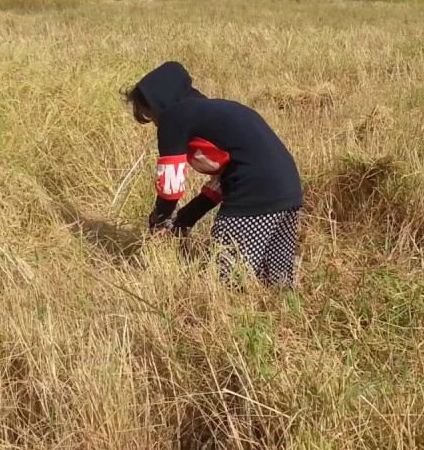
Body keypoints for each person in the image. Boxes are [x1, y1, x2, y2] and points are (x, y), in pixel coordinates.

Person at [126, 61, 304, 288]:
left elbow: (171, 184)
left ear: (157, 103)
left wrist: (161, 219)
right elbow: (225, 180)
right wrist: (184, 219)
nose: (154, 123)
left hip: (254, 195)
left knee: (224, 283)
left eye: (149, 115)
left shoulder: (174, 117)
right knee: (275, 283)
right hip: (289, 192)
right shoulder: (215, 110)